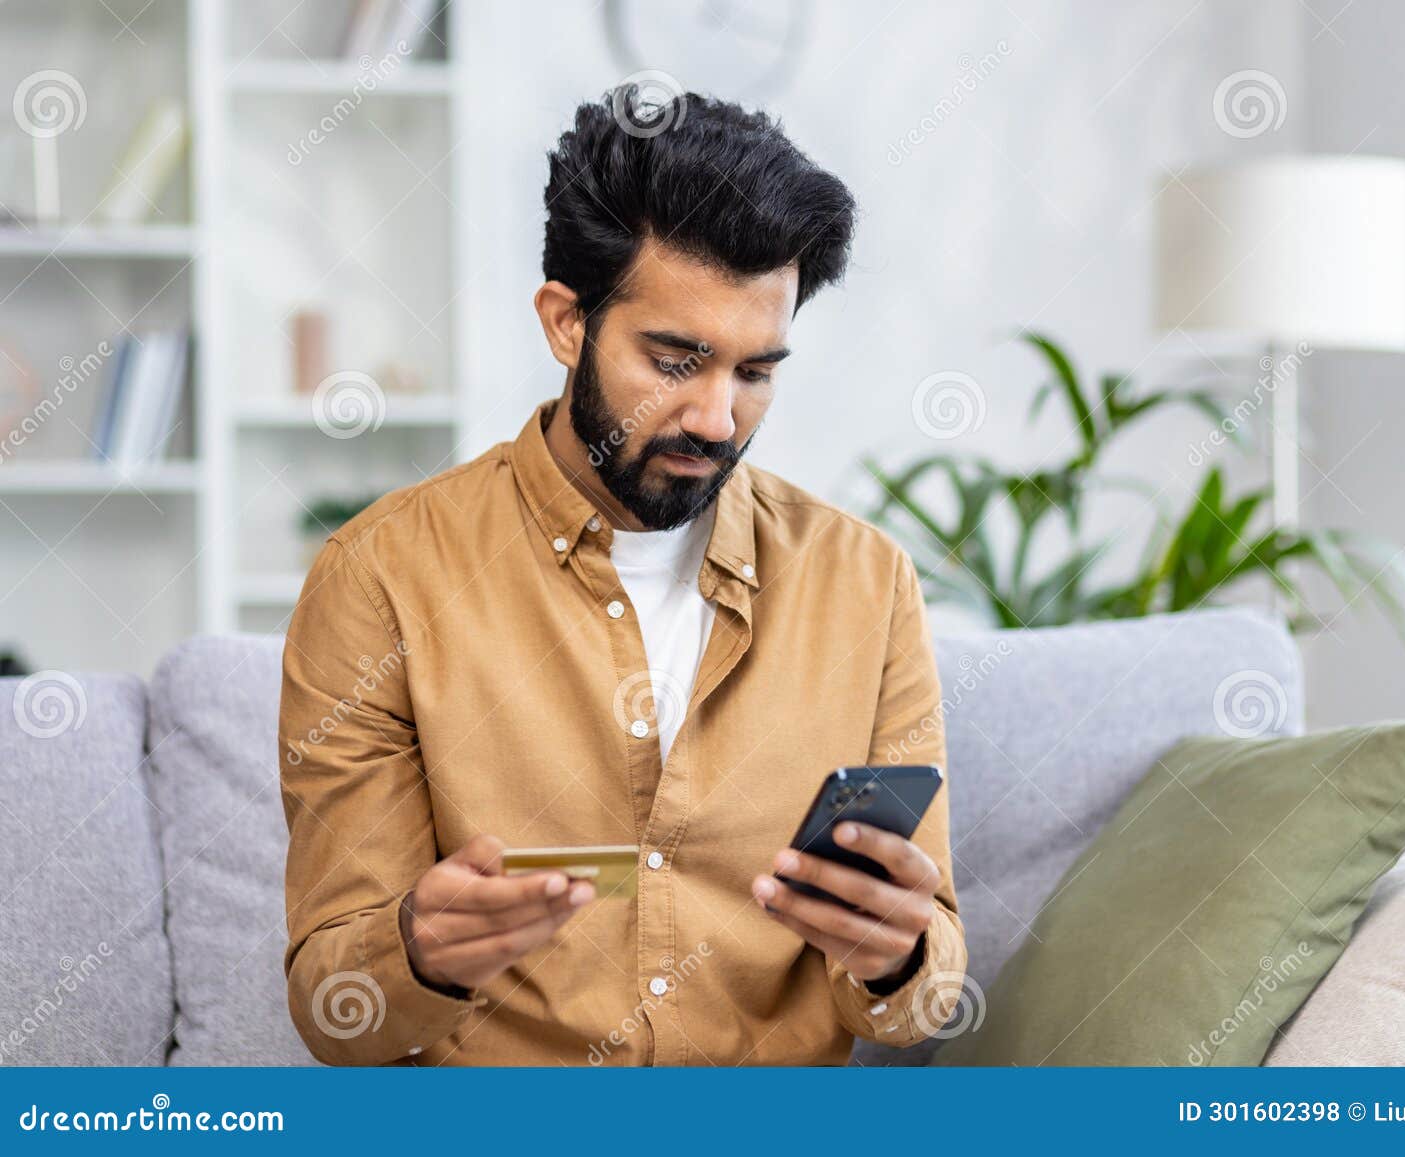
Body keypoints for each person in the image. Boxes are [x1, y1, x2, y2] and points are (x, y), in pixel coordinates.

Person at [278, 86, 965, 1066]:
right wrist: (419, 950)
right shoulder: (380, 577)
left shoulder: (863, 581)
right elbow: (330, 1007)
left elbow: (926, 984)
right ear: (567, 323)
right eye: (675, 358)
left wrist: (897, 958)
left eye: (754, 371)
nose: (717, 418)